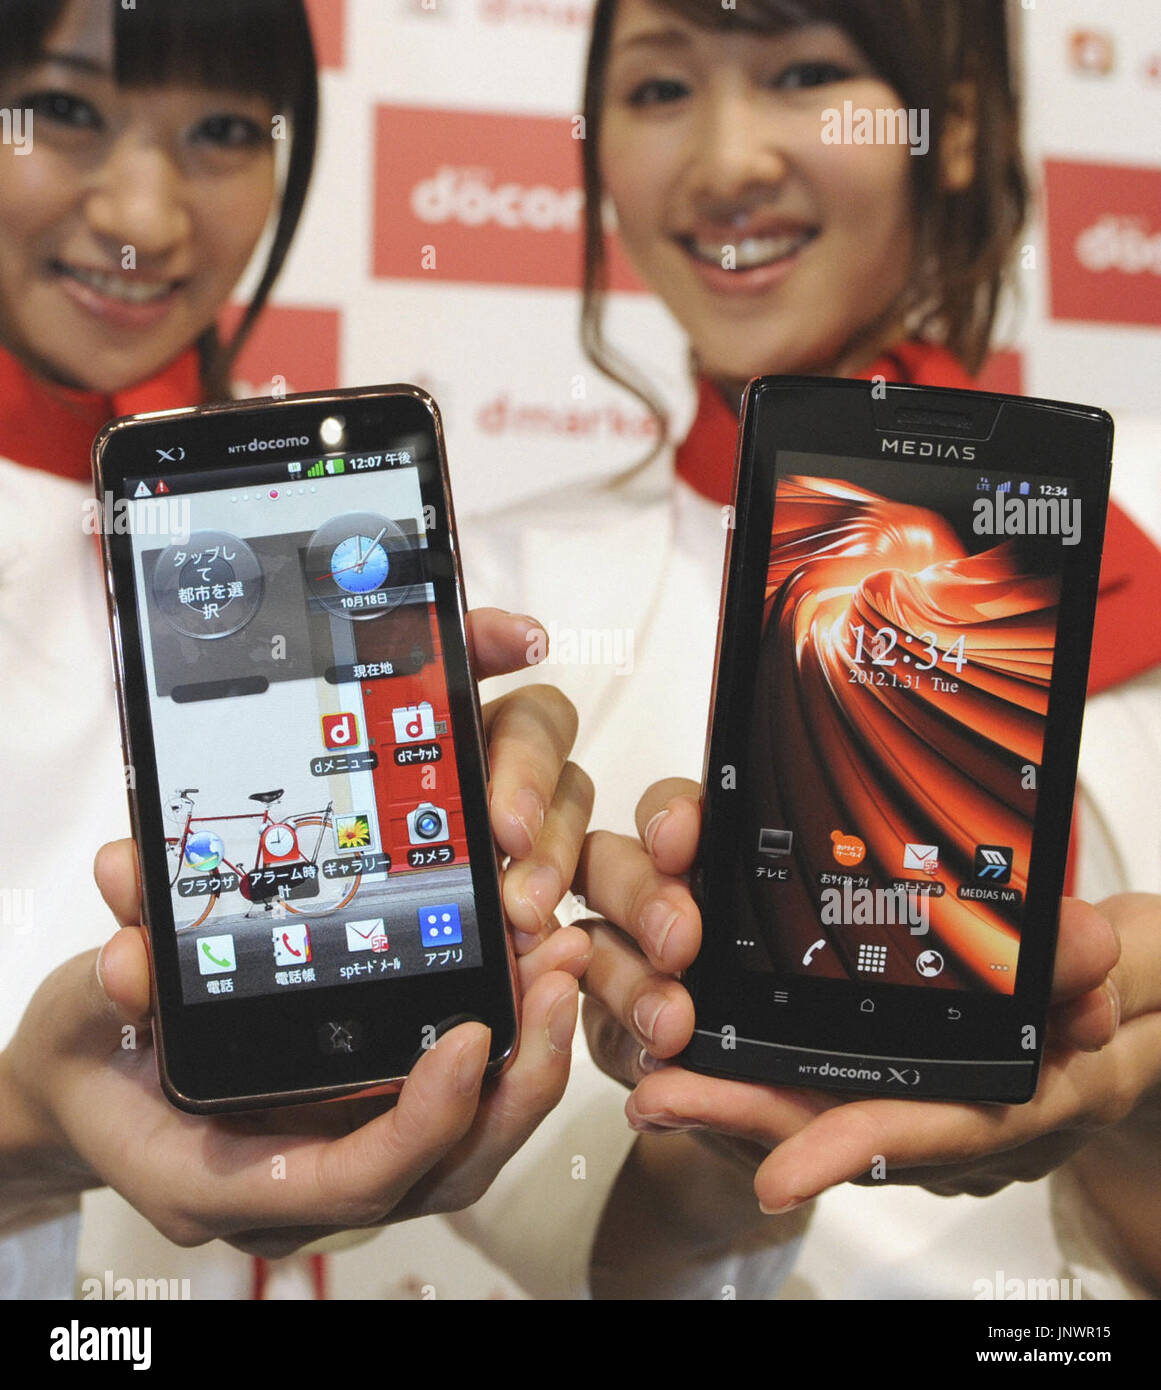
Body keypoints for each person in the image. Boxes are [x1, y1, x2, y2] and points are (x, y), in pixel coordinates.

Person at [449, 0, 1161, 1298]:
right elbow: (539, 1240)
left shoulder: (1135, 529)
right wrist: (707, 1164)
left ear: (944, 131)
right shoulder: (500, 605)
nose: (725, 160)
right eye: (660, 89)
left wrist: (1139, 1104)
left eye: (805, 76)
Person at [0, 0, 644, 1302]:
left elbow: (547, 1226)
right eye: (64, 109)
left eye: (225, 130)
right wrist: (28, 1128)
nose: (148, 211)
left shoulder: (298, 536)